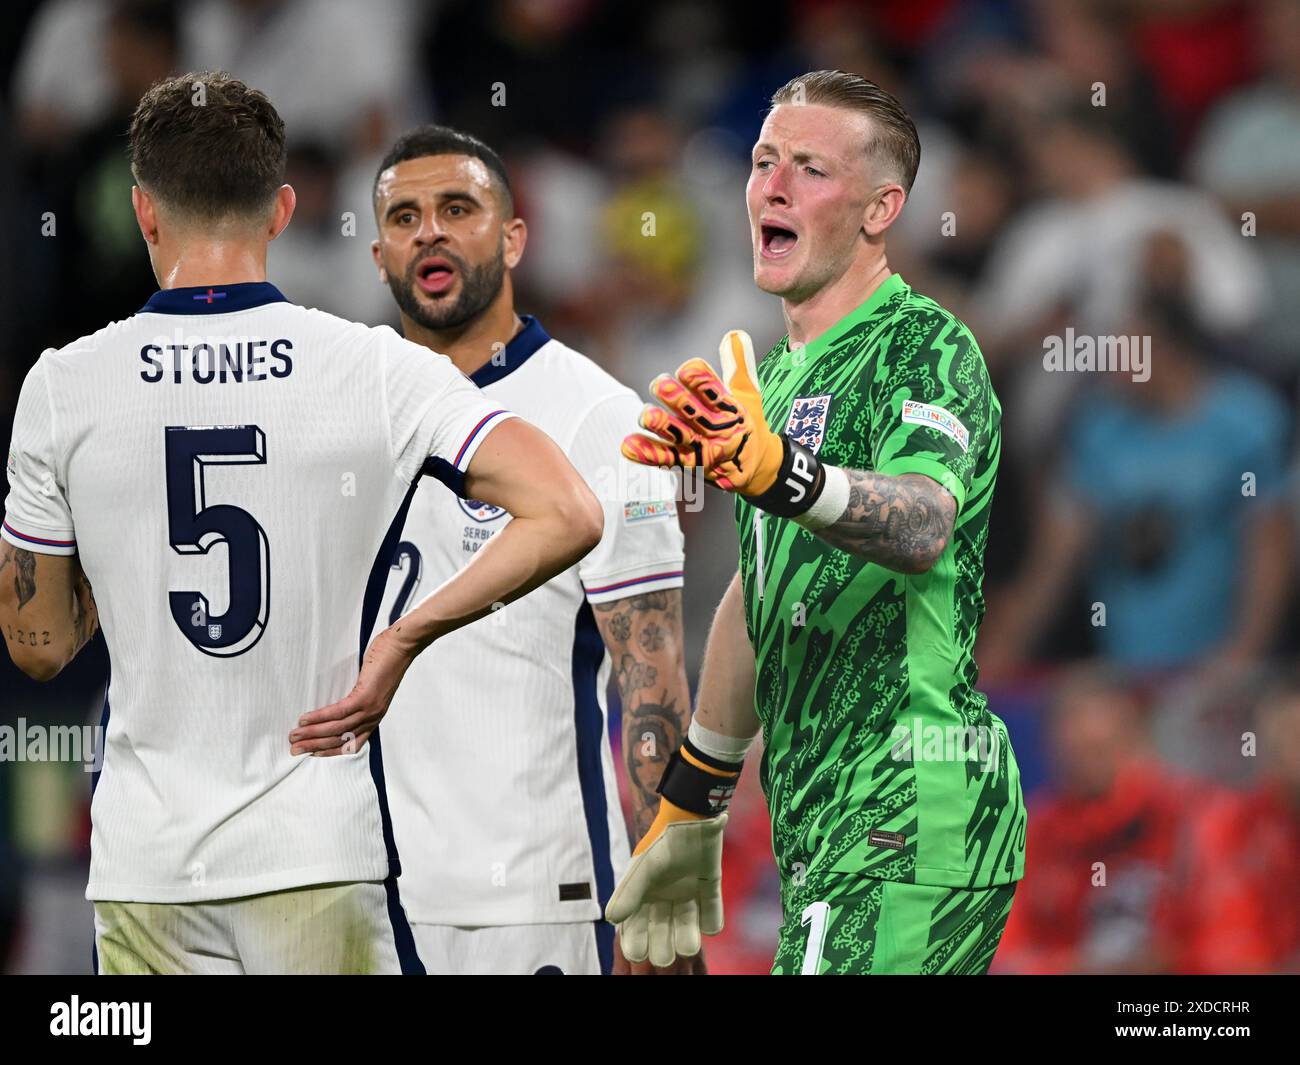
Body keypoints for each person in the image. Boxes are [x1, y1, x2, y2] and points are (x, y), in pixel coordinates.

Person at [0, 72, 602, 974]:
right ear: (281, 209)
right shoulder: (371, 369)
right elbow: (566, 509)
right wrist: (404, 638)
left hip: (148, 865)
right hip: (318, 853)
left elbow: (38, 643)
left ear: (142, 211)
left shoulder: (64, 385)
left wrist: (130, 563)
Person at [608, 70, 1026, 974]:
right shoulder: (780, 377)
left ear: (882, 209)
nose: (774, 185)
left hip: (909, 812)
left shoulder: (923, 344)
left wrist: (781, 473)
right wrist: (693, 798)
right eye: (763, 162)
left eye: (810, 168)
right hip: (828, 828)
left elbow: (922, 527)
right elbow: (762, 592)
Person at [364, 125, 693, 975]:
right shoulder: (346, 413)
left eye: (457, 208)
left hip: (528, 908)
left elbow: (650, 675)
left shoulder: (599, 417)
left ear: (514, 238)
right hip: (358, 896)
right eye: (404, 216)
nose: (428, 230)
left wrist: (662, 907)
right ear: (377, 253)